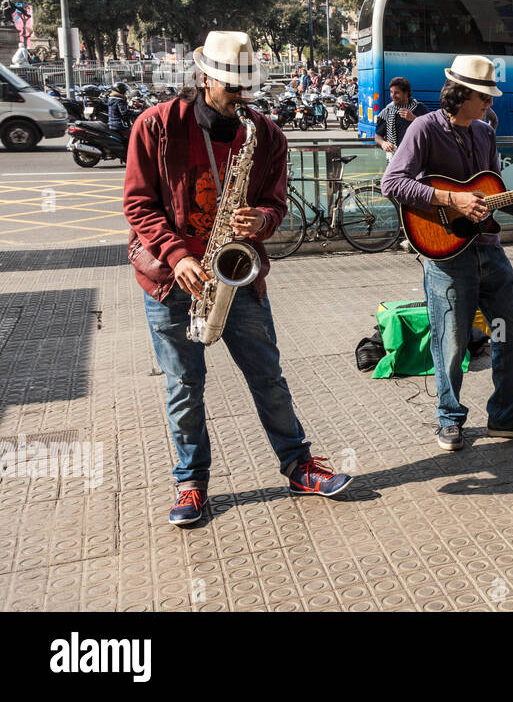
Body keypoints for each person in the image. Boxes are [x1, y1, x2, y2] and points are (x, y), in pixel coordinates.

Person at [122, 30, 353, 526]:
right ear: (204, 78)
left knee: (267, 376)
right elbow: (139, 204)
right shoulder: (157, 126)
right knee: (185, 384)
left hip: (237, 274)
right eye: (233, 90)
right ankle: (190, 484)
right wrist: (177, 254)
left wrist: (263, 221)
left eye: (248, 89)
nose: (243, 100)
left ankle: (297, 465)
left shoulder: (265, 134)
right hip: (171, 278)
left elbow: (275, 201)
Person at [381, 55, 513, 450]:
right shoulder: (425, 129)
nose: (490, 105)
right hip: (446, 256)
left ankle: (506, 417)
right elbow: (391, 183)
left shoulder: (484, 132)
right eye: (485, 97)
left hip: (490, 253)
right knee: (453, 342)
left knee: (508, 336)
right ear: (461, 94)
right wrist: (450, 199)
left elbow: (493, 194)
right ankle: (449, 419)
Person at [373, 76, 427, 160]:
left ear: (406, 93)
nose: (393, 96)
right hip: (395, 159)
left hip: (418, 157)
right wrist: (383, 143)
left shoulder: (420, 108)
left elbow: (432, 127)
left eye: (397, 93)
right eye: (391, 92)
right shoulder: (386, 112)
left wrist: (414, 119)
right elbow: (377, 136)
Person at [106, 82, 132, 147]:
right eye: (125, 91)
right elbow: (124, 113)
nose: (125, 92)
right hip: (118, 125)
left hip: (111, 124)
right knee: (133, 136)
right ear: (121, 91)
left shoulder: (111, 98)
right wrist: (134, 114)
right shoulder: (119, 100)